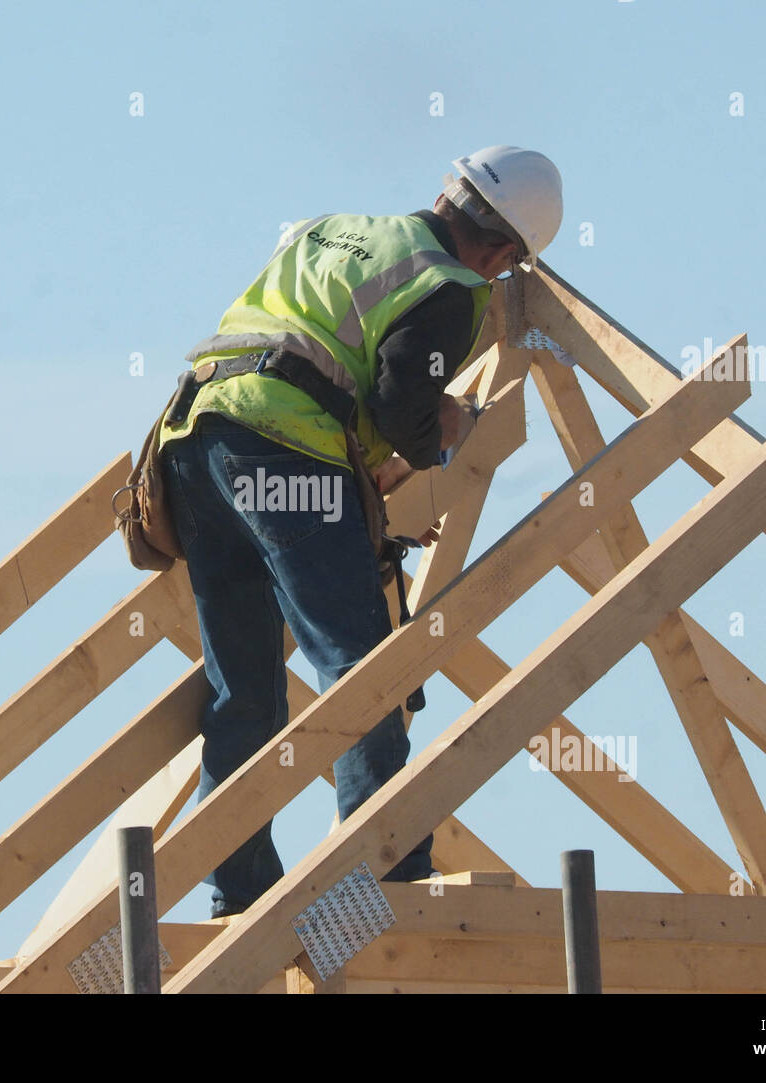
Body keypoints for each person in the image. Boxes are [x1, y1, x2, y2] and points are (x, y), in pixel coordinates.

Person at [156, 146, 563, 917]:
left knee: (242, 687)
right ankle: (378, 874)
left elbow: (326, 353)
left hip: (196, 439)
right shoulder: (451, 286)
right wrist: (443, 434)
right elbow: (399, 409)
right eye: (507, 269)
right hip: (284, 449)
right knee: (362, 665)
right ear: (505, 252)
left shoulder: (333, 229)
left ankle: (237, 896)